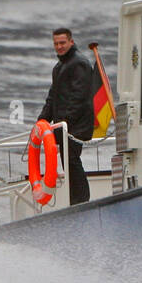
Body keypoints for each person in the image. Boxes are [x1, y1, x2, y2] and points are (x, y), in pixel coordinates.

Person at [38, 27, 95, 205]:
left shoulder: (79, 63)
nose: (59, 47)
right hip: (63, 126)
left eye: (62, 43)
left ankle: (82, 200)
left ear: (71, 42)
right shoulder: (59, 67)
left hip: (76, 126)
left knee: (71, 160)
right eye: (56, 43)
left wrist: (65, 123)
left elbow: (79, 97)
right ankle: (75, 200)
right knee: (68, 162)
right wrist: (41, 121)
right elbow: (52, 97)